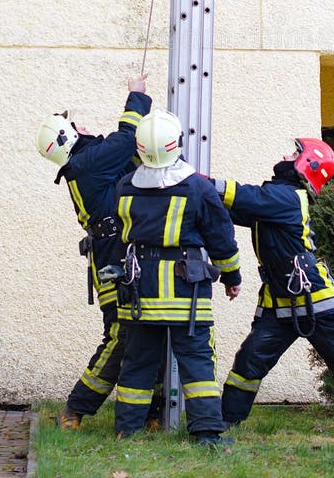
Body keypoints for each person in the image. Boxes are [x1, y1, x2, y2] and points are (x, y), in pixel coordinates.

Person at [211, 137, 334, 436]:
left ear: (307, 164)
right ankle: (227, 419)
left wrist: (195, 181)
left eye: (295, 152)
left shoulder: (286, 197)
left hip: (315, 300)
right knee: (250, 359)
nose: (286, 154)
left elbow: (241, 197)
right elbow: (235, 208)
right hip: (279, 301)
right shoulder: (275, 198)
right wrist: (201, 195)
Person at [109, 107, 242, 445]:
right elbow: (221, 238)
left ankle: (127, 430)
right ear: (177, 143)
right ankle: (208, 433)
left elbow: (123, 234)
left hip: (139, 288)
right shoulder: (197, 187)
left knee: (137, 361)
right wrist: (231, 277)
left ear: (139, 148)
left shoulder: (125, 186)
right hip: (186, 291)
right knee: (197, 362)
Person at [35, 74, 154, 430]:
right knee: (120, 336)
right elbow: (127, 138)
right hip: (114, 259)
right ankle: (75, 409)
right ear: (67, 137)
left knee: (149, 330)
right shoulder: (89, 162)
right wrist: (137, 94)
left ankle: (153, 414)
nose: (81, 125)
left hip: (117, 255)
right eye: (74, 125)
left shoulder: (89, 164)